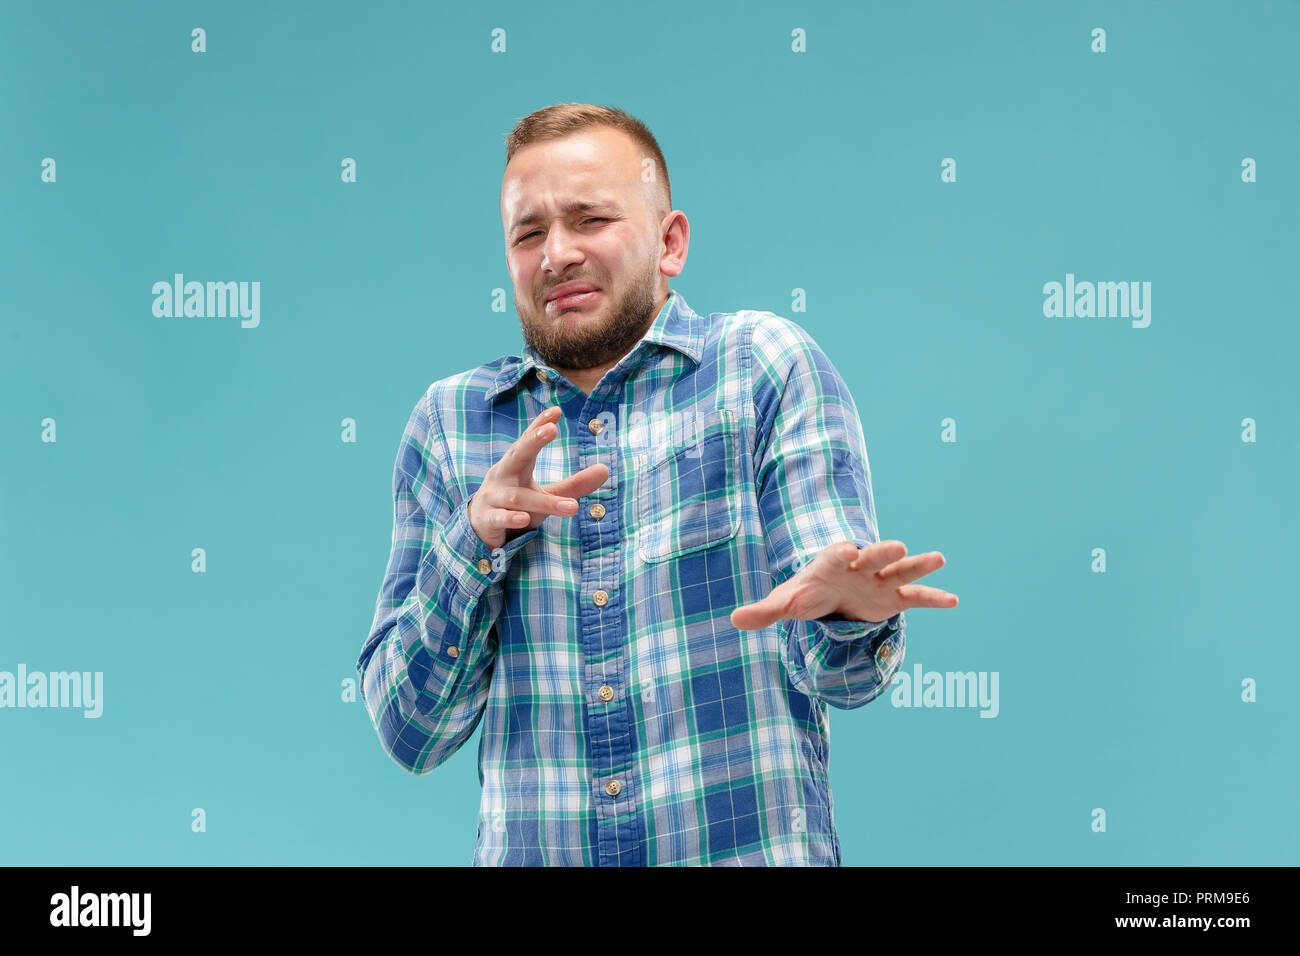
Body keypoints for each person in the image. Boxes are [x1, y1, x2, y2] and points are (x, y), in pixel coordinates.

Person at [356, 103, 959, 866]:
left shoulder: (762, 368)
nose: (557, 255)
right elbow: (410, 734)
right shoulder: (451, 424)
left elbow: (840, 674)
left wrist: (849, 612)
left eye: (590, 219)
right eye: (529, 232)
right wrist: (471, 544)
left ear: (670, 242)